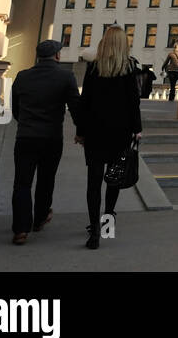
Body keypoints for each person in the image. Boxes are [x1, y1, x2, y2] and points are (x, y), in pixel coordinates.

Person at [9, 39, 81, 245]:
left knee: (22, 183)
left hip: (25, 137)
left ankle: (21, 229)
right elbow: (75, 107)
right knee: (46, 179)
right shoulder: (65, 77)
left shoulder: (22, 76)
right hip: (51, 138)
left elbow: (15, 108)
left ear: (38, 55)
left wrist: (25, 123)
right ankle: (40, 218)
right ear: (57, 56)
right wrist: (82, 131)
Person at [76, 26, 141, 250]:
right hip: (120, 133)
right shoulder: (129, 68)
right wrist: (137, 128)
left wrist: (80, 131)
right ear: (123, 44)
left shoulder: (94, 68)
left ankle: (94, 229)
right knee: (114, 180)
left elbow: (85, 102)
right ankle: (107, 225)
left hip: (95, 132)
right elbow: (134, 102)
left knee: (93, 182)